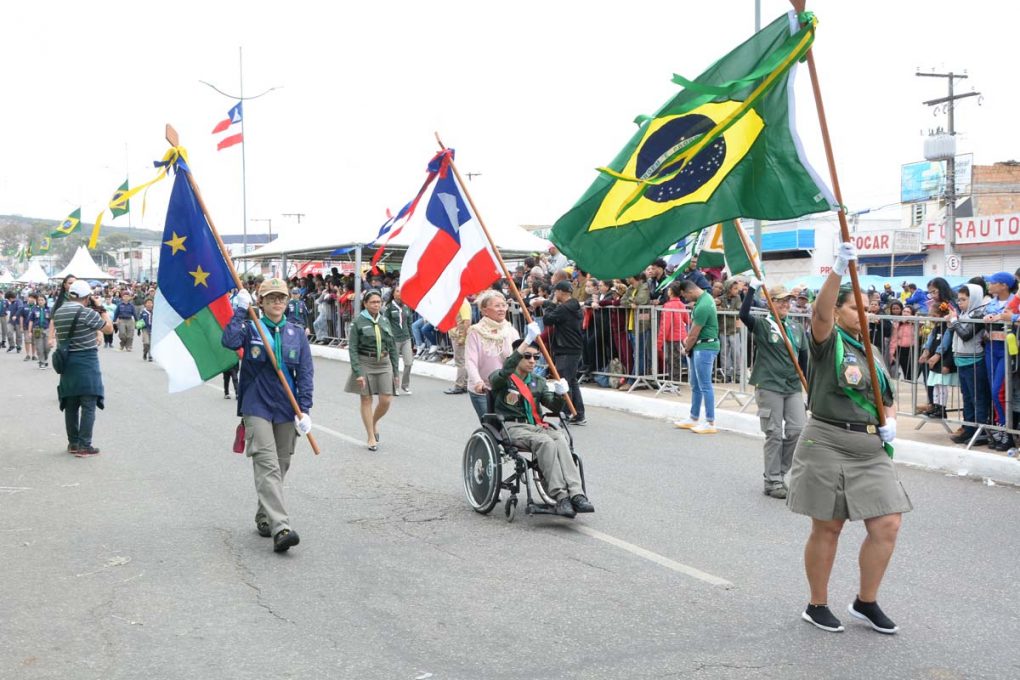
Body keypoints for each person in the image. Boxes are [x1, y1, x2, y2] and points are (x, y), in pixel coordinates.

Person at [788, 242, 910, 635]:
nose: (865, 310)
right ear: (839, 311)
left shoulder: (871, 350)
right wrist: (838, 269)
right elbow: (819, 313)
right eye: (855, 305)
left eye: (866, 305)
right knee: (829, 526)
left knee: (888, 524)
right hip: (827, 441)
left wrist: (890, 422)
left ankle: (865, 601)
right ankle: (817, 603)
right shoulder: (829, 341)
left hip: (869, 449)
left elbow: (885, 397)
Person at [222, 278, 314, 553]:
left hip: (287, 407)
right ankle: (281, 528)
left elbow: (306, 373)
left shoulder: (296, 333)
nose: (277, 302)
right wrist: (239, 310)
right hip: (256, 405)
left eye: (281, 298)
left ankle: (265, 516)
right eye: (271, 297)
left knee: (282, 464)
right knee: (268, 465)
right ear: (260, 301)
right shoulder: (251, 328)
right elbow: (228, 340)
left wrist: (305, 409)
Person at [489, 337, 594, 518]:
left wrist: (562, 394)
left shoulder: (538, 381)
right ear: (516, 357)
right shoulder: (501, 378)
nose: (532, 361)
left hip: (536, 426)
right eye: (527, 356)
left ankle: (576, 494)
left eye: (536, 357)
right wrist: (524, 344)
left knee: (560, 438)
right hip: (512, 426)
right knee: (545, 441)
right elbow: (506, 370)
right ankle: (561, 496)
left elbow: (553, 406)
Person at [741, 281, 808, 499]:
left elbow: (805, 360)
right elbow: (743, 315)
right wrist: (752, 289)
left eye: (788, 300)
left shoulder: (796, 328)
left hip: (792, 386)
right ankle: (772, 481)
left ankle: (779, 472)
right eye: (781, 300)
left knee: (797, 429)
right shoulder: (763, 324)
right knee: (774, 433)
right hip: (769, 385)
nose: (786, 304)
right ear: (771, 303)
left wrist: (811, 388)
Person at [54, 280, 113, 457]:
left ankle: (73, 443)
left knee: (71, 404)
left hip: (67, 363)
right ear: (86, 297)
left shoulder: (59, 312)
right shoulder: (86, 313)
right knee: (88, 404)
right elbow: (109, 329)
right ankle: (84, 445)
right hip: (86, 361)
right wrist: (101, 308)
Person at [345, 289, 399, 450]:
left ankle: (374, 422)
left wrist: (396, 372)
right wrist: (357, 372)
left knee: (386, 399)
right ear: (365, 304)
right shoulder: (358, 322)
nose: (376, 305)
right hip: (365, 362)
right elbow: (352, 348)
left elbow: (392, 347)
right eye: (373, 302)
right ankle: (370, 435)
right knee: (366, 399)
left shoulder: (384, 321)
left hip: (384, 362)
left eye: (378, 302)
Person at [465, 290, 521, 420]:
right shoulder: (475, 332)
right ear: (484, 310)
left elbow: (518, 359)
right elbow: (471, 361)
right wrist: (478, 382)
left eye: (503, 305)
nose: (501, 309)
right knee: (493, 426)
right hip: (484, 389)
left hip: (507, 388)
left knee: (511, 427)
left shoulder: (511, 331)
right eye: (497, 306)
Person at [674, 280, 720, 434]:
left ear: (690, 291)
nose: (685, 299)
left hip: (704, 347)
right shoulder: (704, 299)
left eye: (685, 296)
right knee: (695, 384)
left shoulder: (703, 305)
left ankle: (710, 421)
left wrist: (687, 348)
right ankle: (694, 417)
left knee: (705, 385)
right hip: (701, 346)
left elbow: (694, 333)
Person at [946, 284, 989, 445]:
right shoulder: (963, 313)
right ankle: (969, 429)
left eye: (964, 299)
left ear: (974, 298)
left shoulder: (978, 314)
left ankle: (981, 430)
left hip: (974, 362)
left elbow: (965, 335)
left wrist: (954, 321)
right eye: (959, 299)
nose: (960, 302)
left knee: (978, 398)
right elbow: (956, 332)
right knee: (967, 398)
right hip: (961, 361)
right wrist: (952, 323)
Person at [981, 271, 1017, 451]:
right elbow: (984, 319)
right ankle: (999, 428)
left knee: (999, 391)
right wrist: (987, 320)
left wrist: (1007, 318)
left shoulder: (1015, 302)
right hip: (991, 348)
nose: (990, 285)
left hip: (1006, 349)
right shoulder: (990, 303)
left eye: (993, 282)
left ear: (1004, 285)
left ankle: (1006, 430)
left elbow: (1013, 320)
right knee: (993, 391)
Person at [542, 280, 586, 424]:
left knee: (564, 381)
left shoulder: (565, 308)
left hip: (567, 349)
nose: (555, 294)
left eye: (556, 292)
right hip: (572, 347)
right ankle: (578, 414)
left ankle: (566, 413)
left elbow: (547, 319)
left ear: (561, 292)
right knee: (572, 381)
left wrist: (552, 304)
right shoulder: (573, 306)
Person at [657, 281, 689, 384]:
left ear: (670, 292)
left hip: (671, 337)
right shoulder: (681, 304)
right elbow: (687, 320)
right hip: (681, 335)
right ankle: (676, 381)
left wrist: (659, 342)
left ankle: (673, 383)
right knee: (677, 360)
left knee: (671, 361)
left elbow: (665, 325)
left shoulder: (668, 305)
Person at [385, 285, 414, 395]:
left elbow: (409, 322)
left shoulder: (407, 306)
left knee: (409, 362)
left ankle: (405, 385)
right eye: (397, 291)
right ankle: (395, 386)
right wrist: (388, 336)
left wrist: (412, 338)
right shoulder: (389, 307)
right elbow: (385, 323)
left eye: (401, 291)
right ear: (393, 294)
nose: (400, 293)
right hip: (394, 339)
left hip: (406, 338)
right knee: (394, 363)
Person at [444, 297, 473, 395]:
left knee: (460, 362)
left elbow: (467, 322)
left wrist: (463, 337)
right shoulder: (459, 302)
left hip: (459, 336)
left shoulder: (463, 303)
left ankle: (459, 385)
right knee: (462, 361)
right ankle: (464, 385)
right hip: (457, 335)